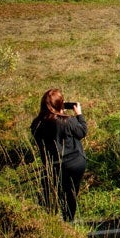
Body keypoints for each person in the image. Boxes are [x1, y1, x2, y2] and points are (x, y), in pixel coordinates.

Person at [30, 88, 88, 222]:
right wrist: (79, 115)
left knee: (50, 194)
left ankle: (50, 221)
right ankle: (69, 220)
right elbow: (82, 132)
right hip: (74, 163)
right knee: (71, 193)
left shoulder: (37, 124)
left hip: (52, 165)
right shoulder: (67, 121)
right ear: (60, 104)